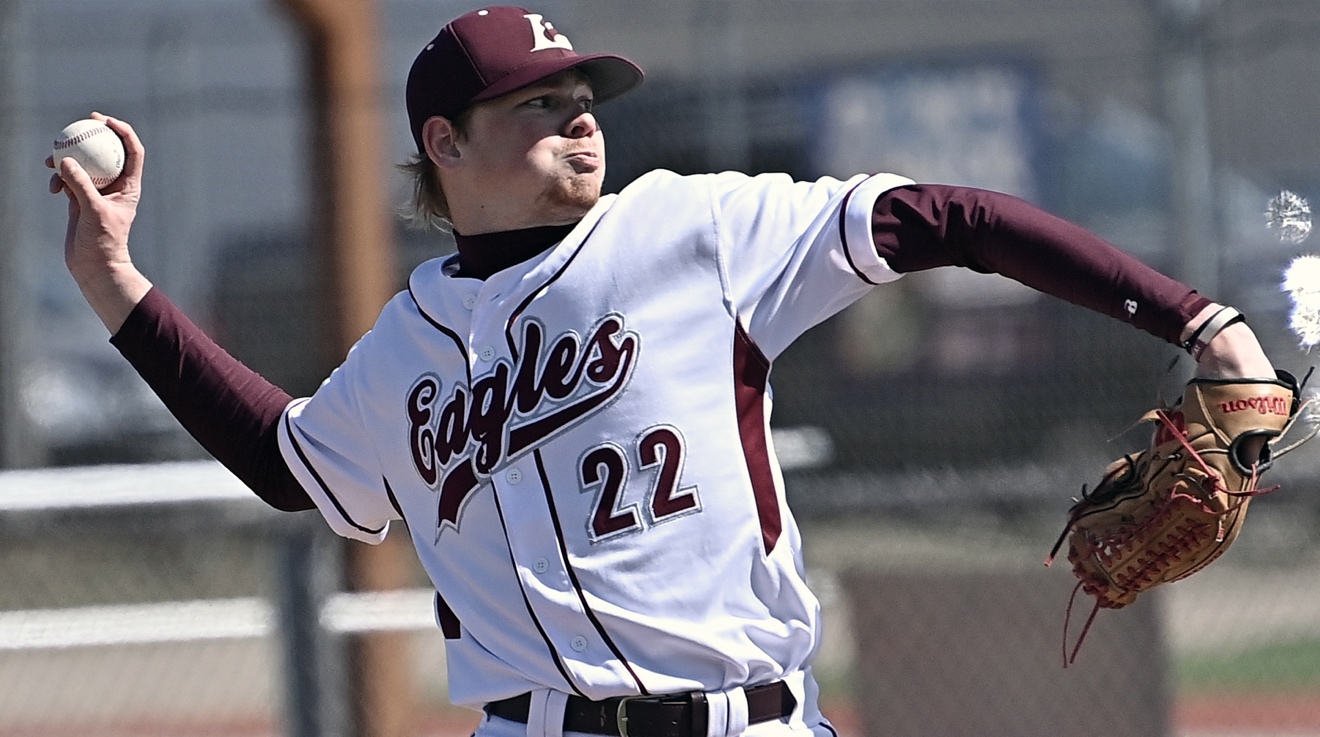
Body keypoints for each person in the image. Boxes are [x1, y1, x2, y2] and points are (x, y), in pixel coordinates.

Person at [50, 6, 1278, 737]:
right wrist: (115, 281)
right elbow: (292, 463)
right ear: (446, 141)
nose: (581, 115)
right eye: (537, 101)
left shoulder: (697, 228)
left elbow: (944, 214)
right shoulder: (407, 345)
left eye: (583, 94)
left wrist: (1197, 317)